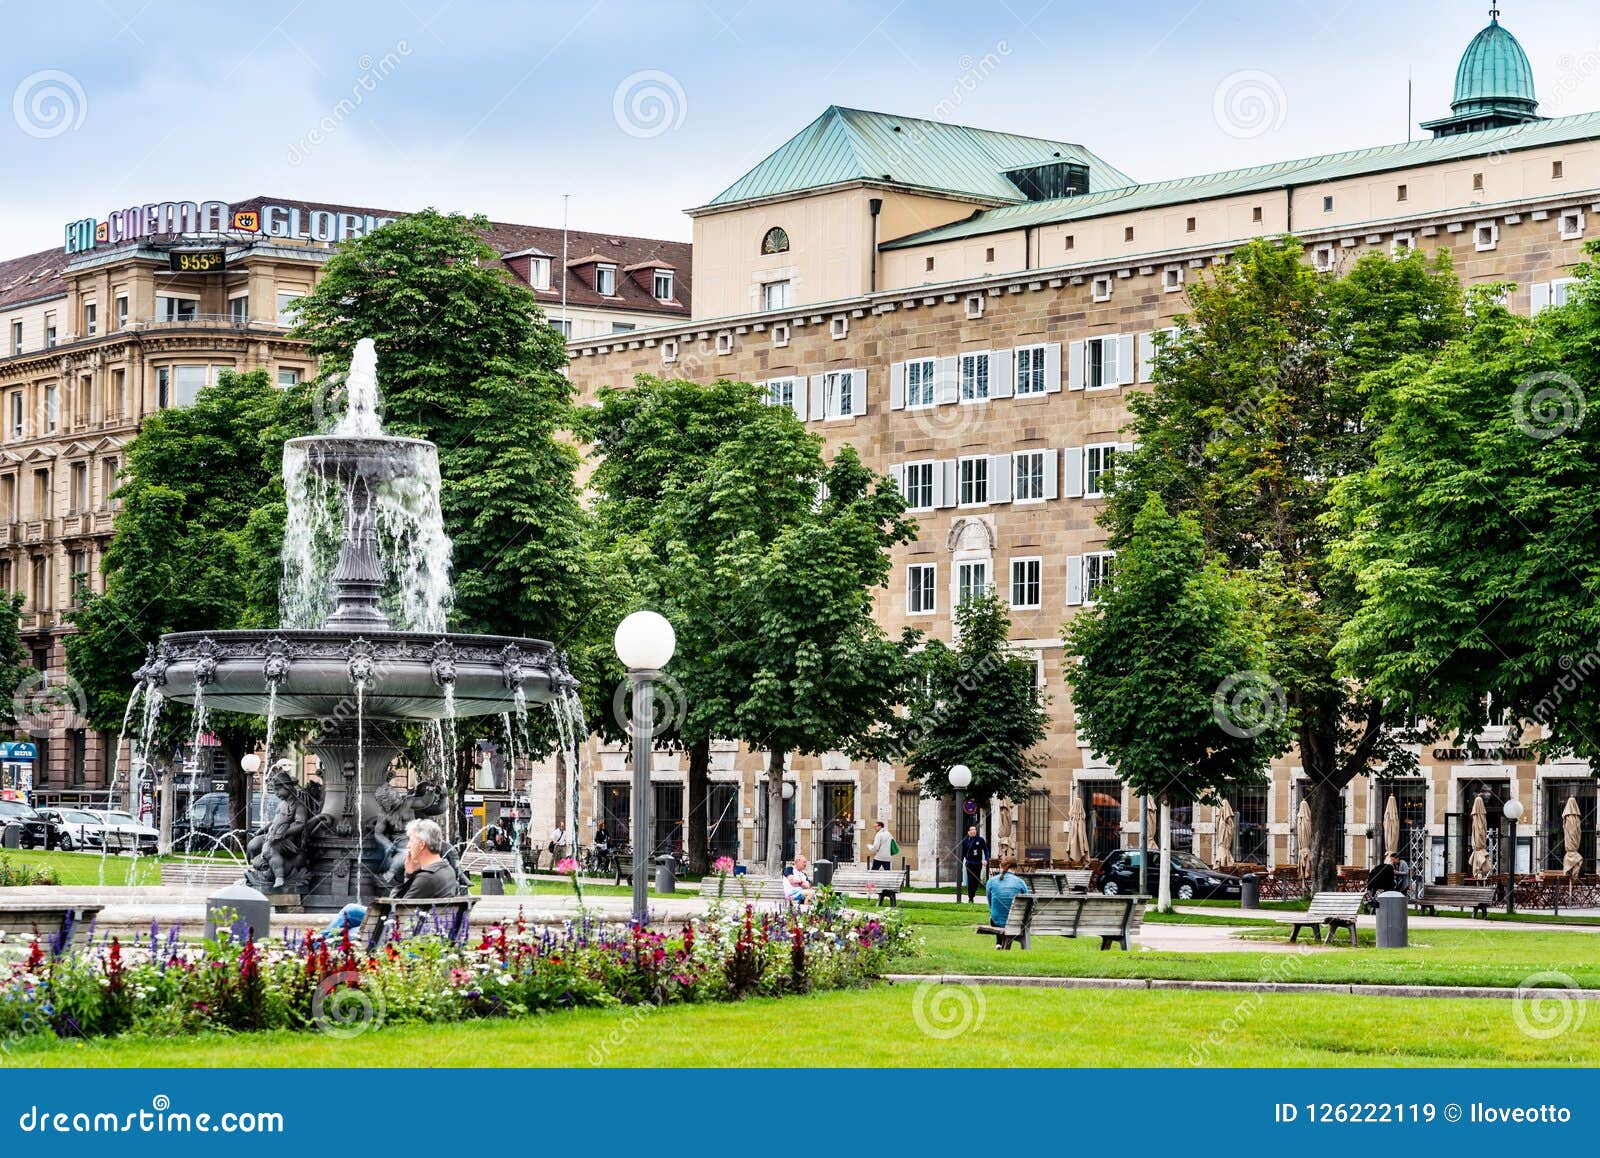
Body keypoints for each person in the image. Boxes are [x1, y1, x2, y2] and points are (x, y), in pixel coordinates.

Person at [323, 818, 460, 936]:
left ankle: (310, 946)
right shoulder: (446, 870)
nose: (408, 845)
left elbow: (396, 910)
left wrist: (409, 873)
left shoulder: (427, 877)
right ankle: (312, 945)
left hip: (405, 935)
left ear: (421, 845)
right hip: (422, 928)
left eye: (411, 840)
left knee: (349, 925)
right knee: (351, 910)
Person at [985, 856, 1031, 932]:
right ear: (1015, 868)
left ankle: (999, 943)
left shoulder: (991, 882)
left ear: (1000, 866)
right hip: (1016, 921)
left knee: (996, 915)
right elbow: (1027, 903)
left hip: (996, 922)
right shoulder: (1020, 883)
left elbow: (990, 904)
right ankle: (1002, 943)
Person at [959, 823, 990, 903]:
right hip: (969, 864)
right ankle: (970, 898)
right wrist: (961, 863)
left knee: (976, 880)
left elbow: (986, 850)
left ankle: (973, 893)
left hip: (978, 863)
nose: (973, 831)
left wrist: (986, 859)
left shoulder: (980, 840)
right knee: (970, 880)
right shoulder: (965, 841)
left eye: (974, 830)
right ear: (968, 832)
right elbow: (962, 853)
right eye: (971, 830)